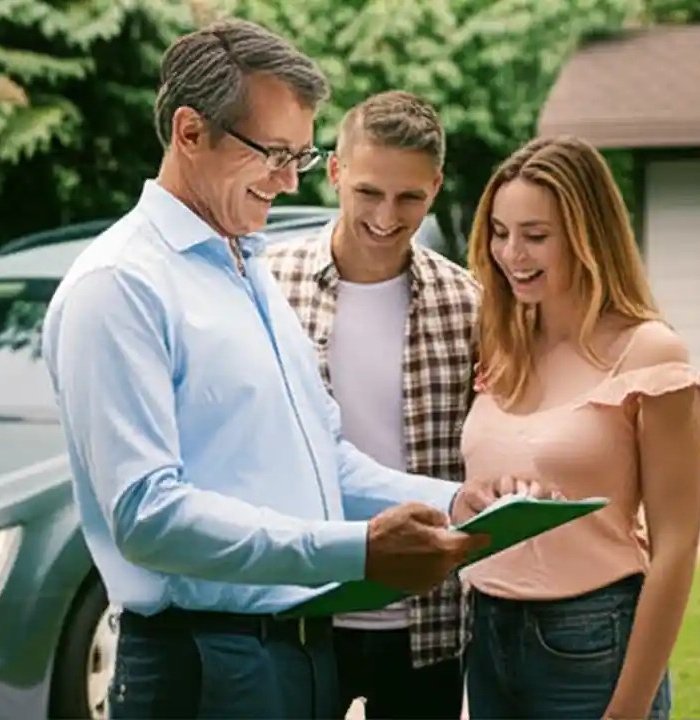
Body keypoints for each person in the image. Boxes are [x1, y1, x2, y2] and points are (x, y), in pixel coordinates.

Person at [41, 18, 544, 720]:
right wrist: (358, 551)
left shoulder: (247, 269)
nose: (287, 181)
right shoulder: (121, 284)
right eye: (274, 153)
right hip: (205, 665)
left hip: (297, 653)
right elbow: (146, 515)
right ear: (190, 132)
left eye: (300, 157)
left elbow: (323, 463)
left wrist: (452, 502)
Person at [459, 134, 700, 720]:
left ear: (587, 234)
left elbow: (677, 547)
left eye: (536, 236)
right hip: (489, 629)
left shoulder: (650, 353)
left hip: (592, 639)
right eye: (499, 232)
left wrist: (627, 710)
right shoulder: (503, 344)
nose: (512, 253)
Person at [263, 90, 478, 720]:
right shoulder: (269, 285)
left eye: (410, 197)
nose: (387, 215)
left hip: (429, 622)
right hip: (304, 609)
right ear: (334, 171)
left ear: (435, 187)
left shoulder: (468, 306)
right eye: (368, 192)